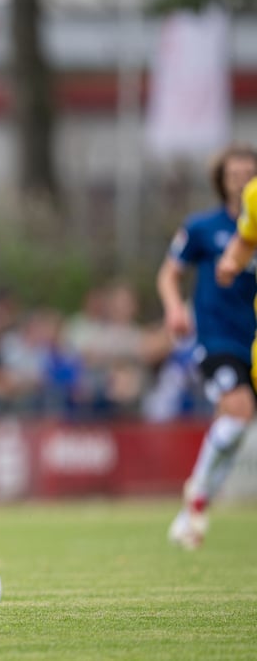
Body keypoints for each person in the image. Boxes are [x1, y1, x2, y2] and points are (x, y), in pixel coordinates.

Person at [159, 142, 257, 550]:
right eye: (233, 174)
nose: (241, 180)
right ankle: (196, 492)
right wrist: (174, 309)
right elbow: (169, 273)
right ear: (222, 180)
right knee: (239, 411)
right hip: (216, 336)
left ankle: (192, 511)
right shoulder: (201, 227)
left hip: (253, 338)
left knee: (235, 430)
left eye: (247, 173)